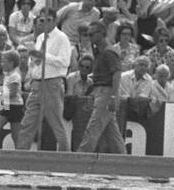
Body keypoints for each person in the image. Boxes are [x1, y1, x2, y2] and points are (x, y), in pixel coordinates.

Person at [14, 9, 72, 152]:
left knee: (56, 122)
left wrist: (44, 56)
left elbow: (65, 62)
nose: (44, 23)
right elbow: (37, 61)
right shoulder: (40, 38)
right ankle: (21, 153)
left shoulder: (61, 37)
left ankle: (66, 156)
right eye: (42, 20)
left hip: (52, 82)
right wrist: (34, 60)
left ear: (55, 20)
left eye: (48, 20)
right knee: (28, 122)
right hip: (37, 82)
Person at [76, 20, 122, 154]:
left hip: (107, 92)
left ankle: (81, 156)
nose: (89, 37)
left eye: (91, 34)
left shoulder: (108, 52)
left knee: (93, 127)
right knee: (112, 133)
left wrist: (113, 96)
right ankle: (124, 159)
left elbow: (117, 74)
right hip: (102, 90)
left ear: (101, 33)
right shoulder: (100, 51)